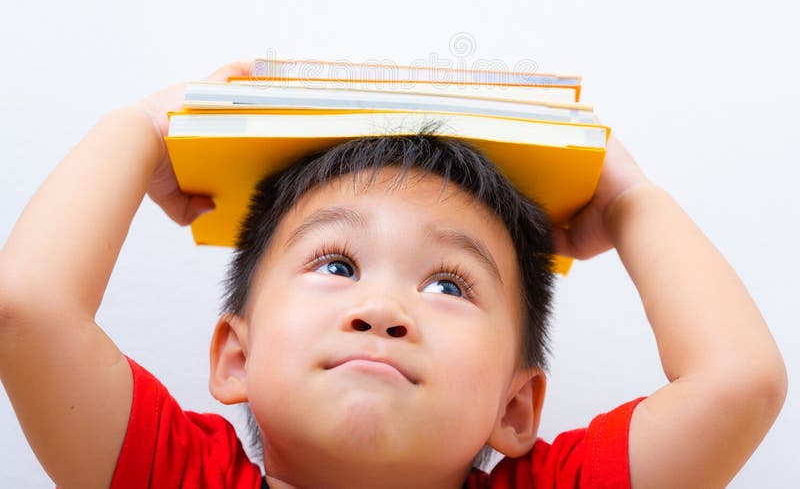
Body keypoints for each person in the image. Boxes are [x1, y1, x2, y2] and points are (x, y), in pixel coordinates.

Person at [0, 62, 787, 489]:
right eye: (336, 264)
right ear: (235, 356)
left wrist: (630, 202)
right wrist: (140, 129)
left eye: (448, 285)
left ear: (514, 407)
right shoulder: (176, 477)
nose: (382, 309)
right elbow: (26, 309)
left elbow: (740, 383)